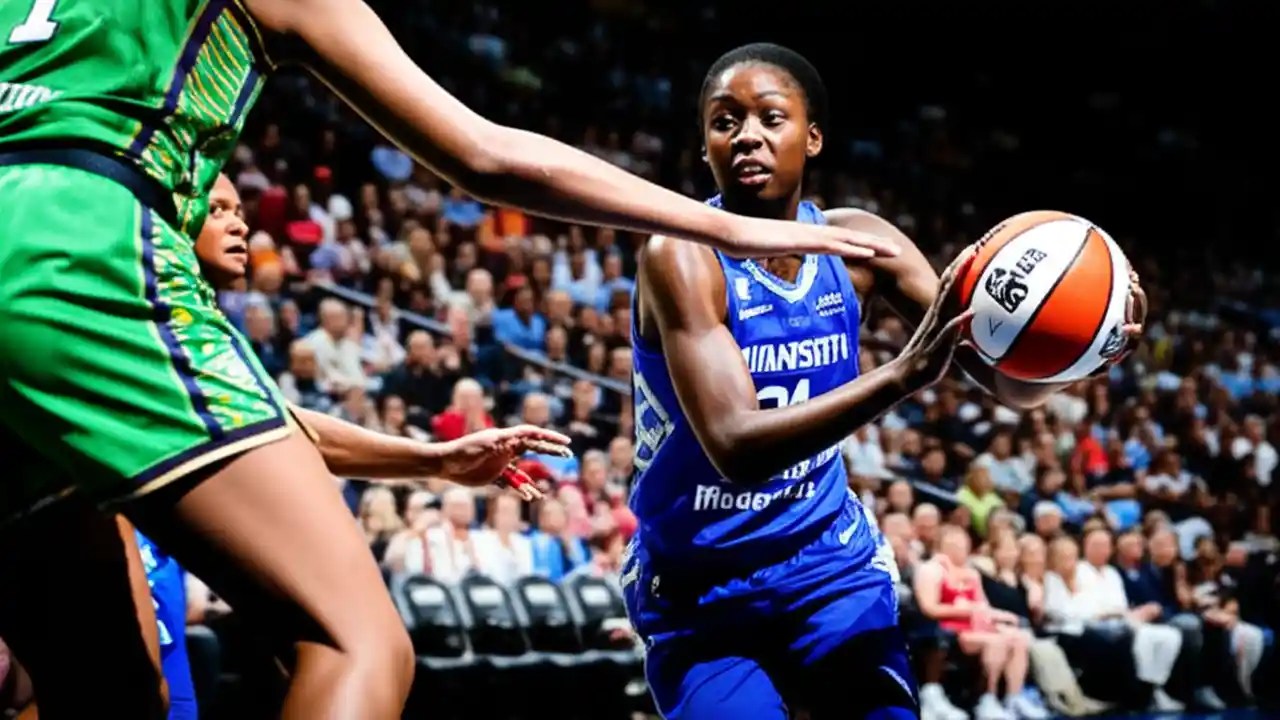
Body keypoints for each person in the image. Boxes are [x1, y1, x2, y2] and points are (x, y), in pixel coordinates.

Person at [0, 2, 902, 715]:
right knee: (358, 643)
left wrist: (428, 461)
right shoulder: (688, 257)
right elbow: (486, 156)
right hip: (82, 238)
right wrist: (721, 222)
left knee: (108, 692)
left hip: (28, 274)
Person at [625, 42, 1146, 719]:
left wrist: (1084, 352)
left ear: (812, 138)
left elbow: (1004, 385)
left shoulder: (866, 246)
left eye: (769, 118)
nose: (746, 134)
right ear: (705, 148)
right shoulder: (680, 255)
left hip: (828, 566)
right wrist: (900, 377)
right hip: (700, 587)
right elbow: (735, 446)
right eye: (724, 122)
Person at [8, 173, 563, 720]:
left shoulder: (197, 330)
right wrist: (434, 460)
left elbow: (282, 425)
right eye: (218, 209)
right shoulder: (124, 310)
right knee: (357, 644)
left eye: (241, 212)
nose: (240, 226)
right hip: (76, 500)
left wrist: (437, 460)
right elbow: (290, 428)